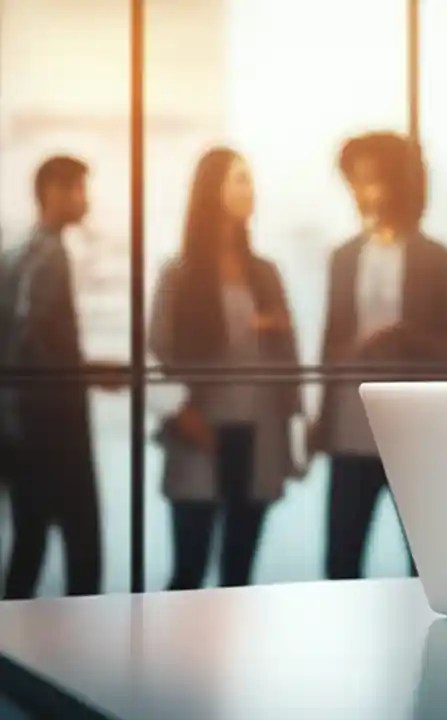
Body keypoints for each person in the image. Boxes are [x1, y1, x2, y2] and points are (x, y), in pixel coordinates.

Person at [311, 131, 447, 580]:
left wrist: (408, 337)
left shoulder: (436, 258)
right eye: (356, 181)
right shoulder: (344, 257)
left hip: (416, 429)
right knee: (341, 555)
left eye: (372, 180)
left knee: (426, 564)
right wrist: (320, 421)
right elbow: (330, 343)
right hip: (351, 424)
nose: (363, 193)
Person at [149, 147, 302, 590]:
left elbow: (287, 359)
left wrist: (296, 430)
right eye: (239, 178)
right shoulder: (178, 274)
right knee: (189, 571)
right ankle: (177, 657)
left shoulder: (265, 272)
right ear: (211, 189)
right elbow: (158, 354)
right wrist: (180, 413)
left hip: (256, 430)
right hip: (201, 431)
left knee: (239, 574)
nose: (249, 189)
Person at [1, 156, 121, 598]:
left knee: (28, 546)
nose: (85, 199)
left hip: (23, 426)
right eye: (78, 189)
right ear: (54, 190)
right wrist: (86, 374)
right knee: (82, 547)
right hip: (56, 425)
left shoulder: (15, 255)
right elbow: (34, 339)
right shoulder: (49, 255)